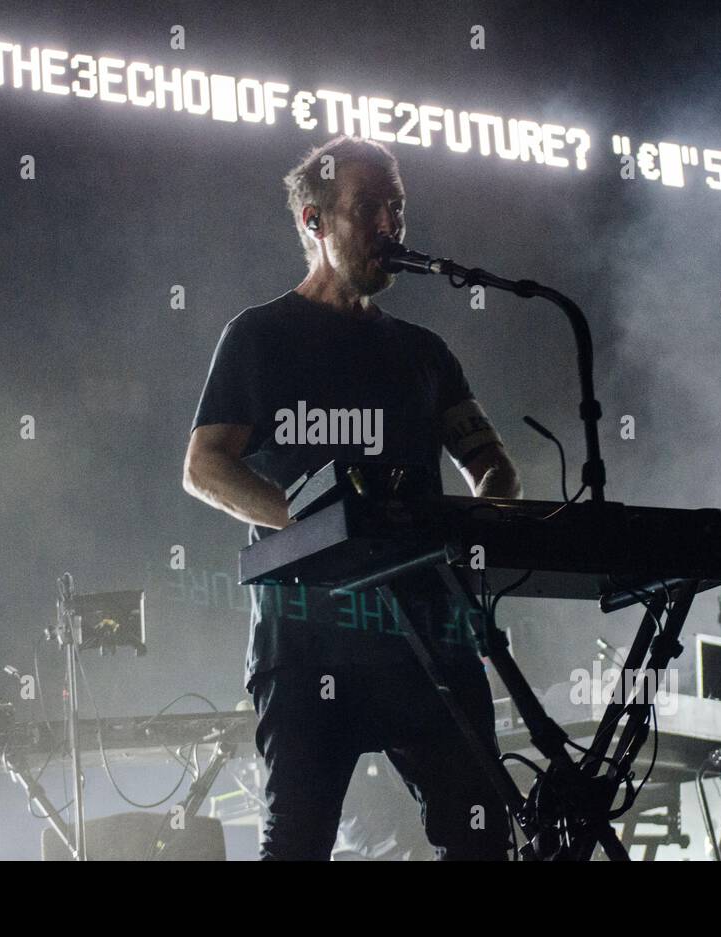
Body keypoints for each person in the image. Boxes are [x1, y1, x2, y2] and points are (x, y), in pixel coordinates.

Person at [183, 135, 521, 860]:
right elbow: (205, 466)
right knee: (297, 845)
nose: (389, 225)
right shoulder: (259, 337)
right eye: (367, 207)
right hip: (307, 641)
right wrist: (322, 525)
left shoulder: (424, 352)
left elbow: (494, 467)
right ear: (313, 220)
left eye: (397, 208)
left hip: (427, 637)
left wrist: (476, 532)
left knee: (482, 840)